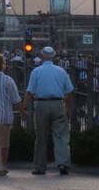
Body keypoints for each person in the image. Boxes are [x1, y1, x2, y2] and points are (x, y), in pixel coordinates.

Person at [20, 45, 73, 175]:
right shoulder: (61, 71)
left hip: (41, 105)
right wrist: (67, 108)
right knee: (61, 136)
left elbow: (29, 92)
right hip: (58, 104)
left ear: (42, 56)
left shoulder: (36, 71)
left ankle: (39, 167)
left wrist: (24, 107)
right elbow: (69, 92)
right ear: (54, 56)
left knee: (41, 137)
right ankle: (63, 163)